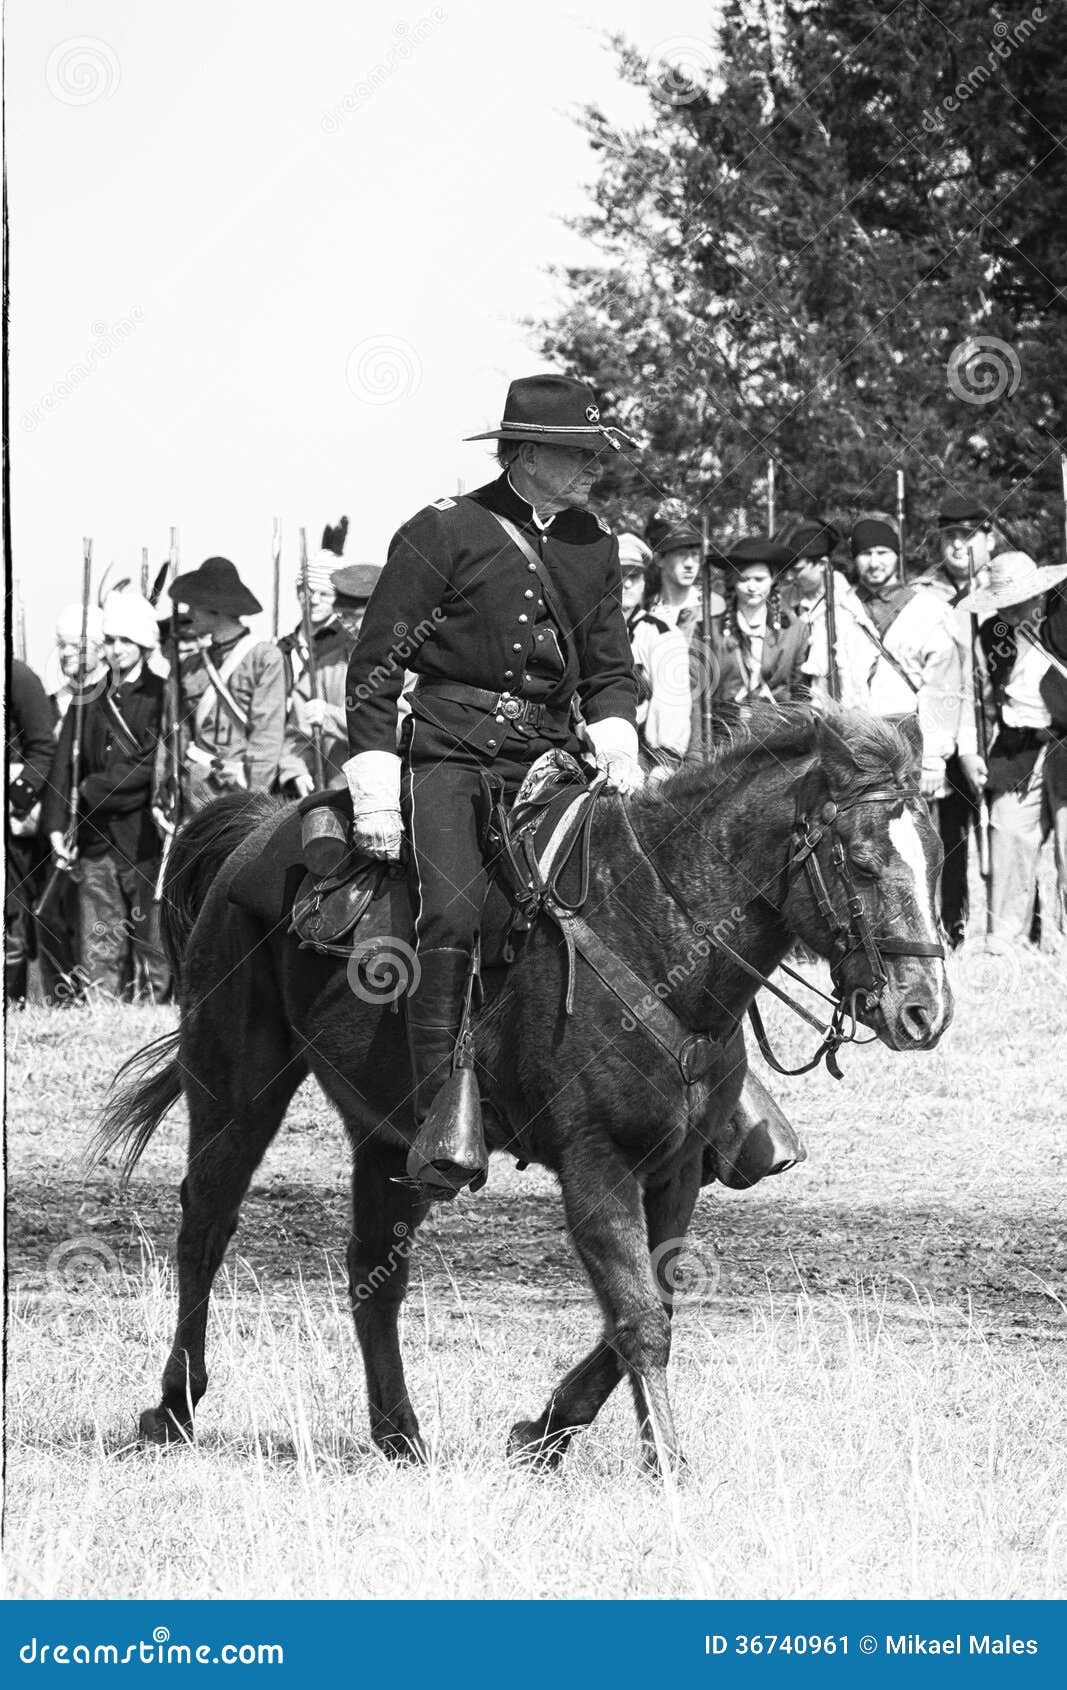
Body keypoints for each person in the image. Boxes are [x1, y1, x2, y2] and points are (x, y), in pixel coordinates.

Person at [343, 373, 641, 1195]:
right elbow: (376, 669)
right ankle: (443, 1113)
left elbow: (611, 671)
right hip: (450, 757)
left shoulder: (593, 543)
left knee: (637, 897)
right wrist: (374, 780)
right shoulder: (444, 531)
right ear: (529, 452)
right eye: (581, 453)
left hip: (552, 762)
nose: (595, 466)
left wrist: (616, 737)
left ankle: (696, 1103)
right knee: (453, 913)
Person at [41, 592, 170, 1001]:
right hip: (95, 836)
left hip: (143, 834)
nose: (116, 650)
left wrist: (92, 790)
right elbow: (64, 765)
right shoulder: (88, 697)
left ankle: (151, 1011)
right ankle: (103, 1008)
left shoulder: (163, 696)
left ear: (144, 646)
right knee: (100, 936)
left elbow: (153, 767)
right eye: (111, 641)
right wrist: (58, 824)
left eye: (125, 641)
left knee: (151, 936)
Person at [959, 552, 1067, 951]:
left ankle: (1062, 938)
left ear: (1038, 595)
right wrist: (970, 750)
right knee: (1006, 835)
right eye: (1003, 602)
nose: (1008, 610)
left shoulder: (1063, 619)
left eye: (1017, 601)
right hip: (1015, 746)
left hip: (1065, 743)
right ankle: (1006, 937)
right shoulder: (990, 635)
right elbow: (975, 699)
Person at [910, 494, 999, 944]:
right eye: (950, 538)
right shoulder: (927, 595)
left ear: (990, 538)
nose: (959, 546)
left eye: (969, 536)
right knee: (950, 832)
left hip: (1001, 725)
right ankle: (951, 922)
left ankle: (1018, 924)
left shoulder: (1004, 586)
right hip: (947, 727)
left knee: (1004, 831)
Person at [849, 517, 961, 801]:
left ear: (897, 556)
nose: (874, 563)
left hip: (911, 744)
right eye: (865, 554)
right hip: (854, 746)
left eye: (882, 553)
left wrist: (933, 756)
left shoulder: (927, 609)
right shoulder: (839, 609)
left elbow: (941, 687)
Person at [167, 557, 287, 813]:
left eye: (194, 606)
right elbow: (176, 735)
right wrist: (168, 791)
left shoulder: (264, 658)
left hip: (239, 795)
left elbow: (267, 736)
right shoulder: (189, 666)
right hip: (195, 794)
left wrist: (255, 803)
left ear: (215, 609)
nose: (188, 614)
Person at [688, 537, 809, 751]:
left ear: (773, 580)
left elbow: (800, 694)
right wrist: (698, 753)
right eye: (744, 579)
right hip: (724, 742)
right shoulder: (708, 631)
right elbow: (697, 698)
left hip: (778, 741)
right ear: (733, 582)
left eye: (759, 579)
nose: (752, 587)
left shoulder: (795, 630)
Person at [279, 563, 381, 794]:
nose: (346, 624)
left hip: (390, 790)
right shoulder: (324, 666)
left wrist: (332, 716)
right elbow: (297, 734)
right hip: (333, 792)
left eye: (354, 616)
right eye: (341, 616)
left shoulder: (407, 665)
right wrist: (297, 769)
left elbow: (398, 730)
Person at [630, 521, 724, 771]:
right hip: (651, 737)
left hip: (710, 729)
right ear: (660, 560)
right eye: (682, 554)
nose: (691, 563)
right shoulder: (645, 613)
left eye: (695, 555)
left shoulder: (715, 610)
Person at [6, 659, 57, 1002]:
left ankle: (12, 1000)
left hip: (8, 818)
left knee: (11, 915)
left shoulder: (18, 676)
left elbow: (42, 748)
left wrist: (13, 797)